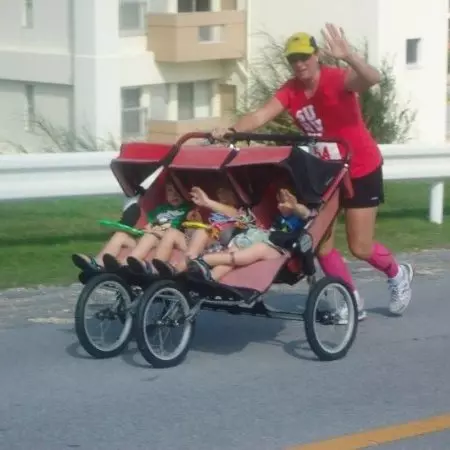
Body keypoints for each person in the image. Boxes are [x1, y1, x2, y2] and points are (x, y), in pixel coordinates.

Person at [210, 23, 413, 320]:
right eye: (294, 59)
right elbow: (261, 115)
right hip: (326, 172)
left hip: (359, 167)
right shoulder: (291, 90)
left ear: (317, 56)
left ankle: (397, 274)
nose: (300, 64)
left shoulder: (337, 79)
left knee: (360, 246)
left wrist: (349, 57)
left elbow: (372, 78)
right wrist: (230, 130)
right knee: (318, 242)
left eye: (305, 57)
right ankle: (349, 301)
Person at [187, 188, 313, 281]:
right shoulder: (277, 218)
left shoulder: (299, 219)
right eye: (279, 202)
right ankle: (210, 278)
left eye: (285, 202)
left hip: (281, 250)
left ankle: (205, 260)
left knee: (259, 249)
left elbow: (306, 213)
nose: (281, 205)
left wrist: (295, 206)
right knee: (239, 245)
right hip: (262, 239)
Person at [127, 184, 253, 275]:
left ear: (236, 195)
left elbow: (235, 214)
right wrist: (194, 221)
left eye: (225, 190)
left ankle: (179, 270)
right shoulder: (209, 211)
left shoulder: (241, 212)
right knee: (173, 233)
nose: (220, 193)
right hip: (195, 242)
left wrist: (208, 202)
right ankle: (158, 269)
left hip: (217, 247)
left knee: (202, 231)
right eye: (219, 191)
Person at [71, 180, 192, 272]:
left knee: (150, 236)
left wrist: (154, 229)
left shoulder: (187, 209)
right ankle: (98, 262)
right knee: (121, 235)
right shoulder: (161, 209)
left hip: (164, 239)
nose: (174, 195)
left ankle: (128, 263)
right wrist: (139, 229)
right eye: (170, 191)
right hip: (147, 237)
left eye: (178, 192)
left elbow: (178, 229)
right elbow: (147, 223)